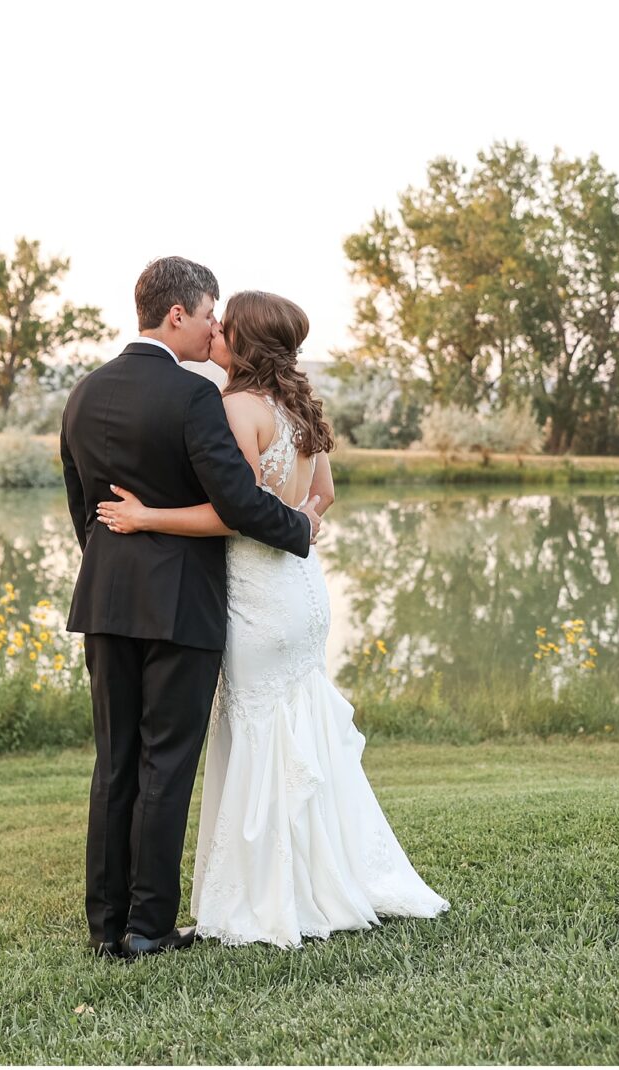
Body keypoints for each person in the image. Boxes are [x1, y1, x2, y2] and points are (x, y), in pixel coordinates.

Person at [96, 289, 449, 949]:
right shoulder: (298, 406)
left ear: (243, 341)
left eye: (224, 325)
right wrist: (305, 522)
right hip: (301, 589)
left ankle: (268, 893)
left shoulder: (234, 407)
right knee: (298, 731)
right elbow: (324, 494)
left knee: (260, 735)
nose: (214, 331)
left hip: (258, 594)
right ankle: (324, 874)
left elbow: (235, 512)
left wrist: (146, 517)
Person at [59, 257, 322, 959]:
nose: (213, 328)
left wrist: (114, 566)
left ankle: (105, 927)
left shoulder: (84, 392)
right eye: (208, 314)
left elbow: (83, 509)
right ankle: (148, 927)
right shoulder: (193, 395)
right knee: (166, 765)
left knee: (114, 763)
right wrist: (301, 529)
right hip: (181, 606)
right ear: (177, 314)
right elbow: (238, 503)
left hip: (106, 600)